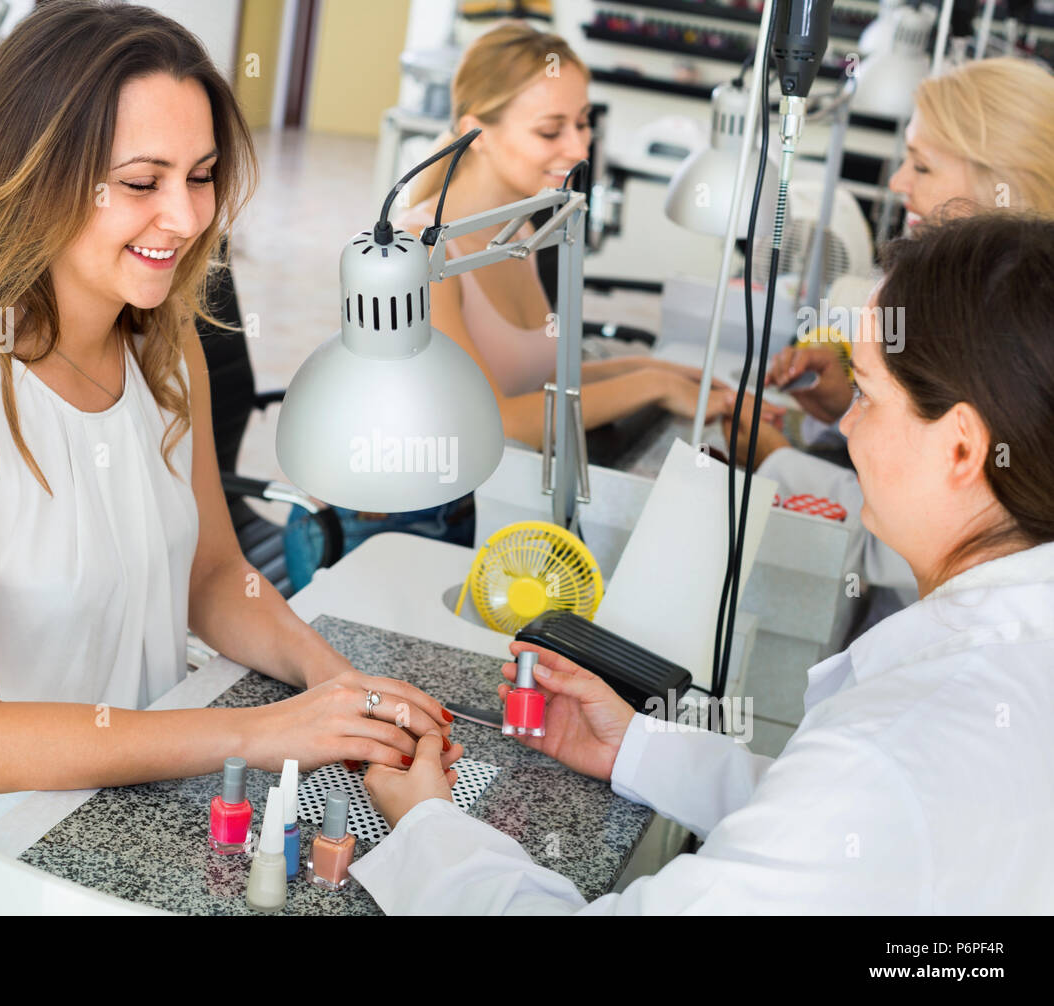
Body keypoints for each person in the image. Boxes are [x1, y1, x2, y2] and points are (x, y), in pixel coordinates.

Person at [0, 0, 461, 916]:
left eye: (202, 175)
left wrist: (334, 685)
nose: (183, 216)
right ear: (37, 176)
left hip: (87, 823)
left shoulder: (164, 349)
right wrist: (256, 733)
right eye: (142, 181)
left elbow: (214, 575)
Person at [351, 213, 1054, 913]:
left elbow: (857, 801)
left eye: (866, 395)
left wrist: (427, 827)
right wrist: (637, 749)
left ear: (961, 448)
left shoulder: (894, 748)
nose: (844, 426)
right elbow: (838, 830)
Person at [284, 23, 777, 592]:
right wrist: (655, 390)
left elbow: (538, 378)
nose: (580, 147)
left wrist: (664, 372)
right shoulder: (422, 254)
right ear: (476, 133)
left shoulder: (518, 229)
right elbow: (493, 419)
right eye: (551, 131)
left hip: (473, 507)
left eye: (583, 122)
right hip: (377, 531)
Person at [750, 57, 1054, 601]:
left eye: (923, 165)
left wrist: (774, 458)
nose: (896, 182)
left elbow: (926, 534)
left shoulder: (1015, 338)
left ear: (1002, 183)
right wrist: (859, 398)